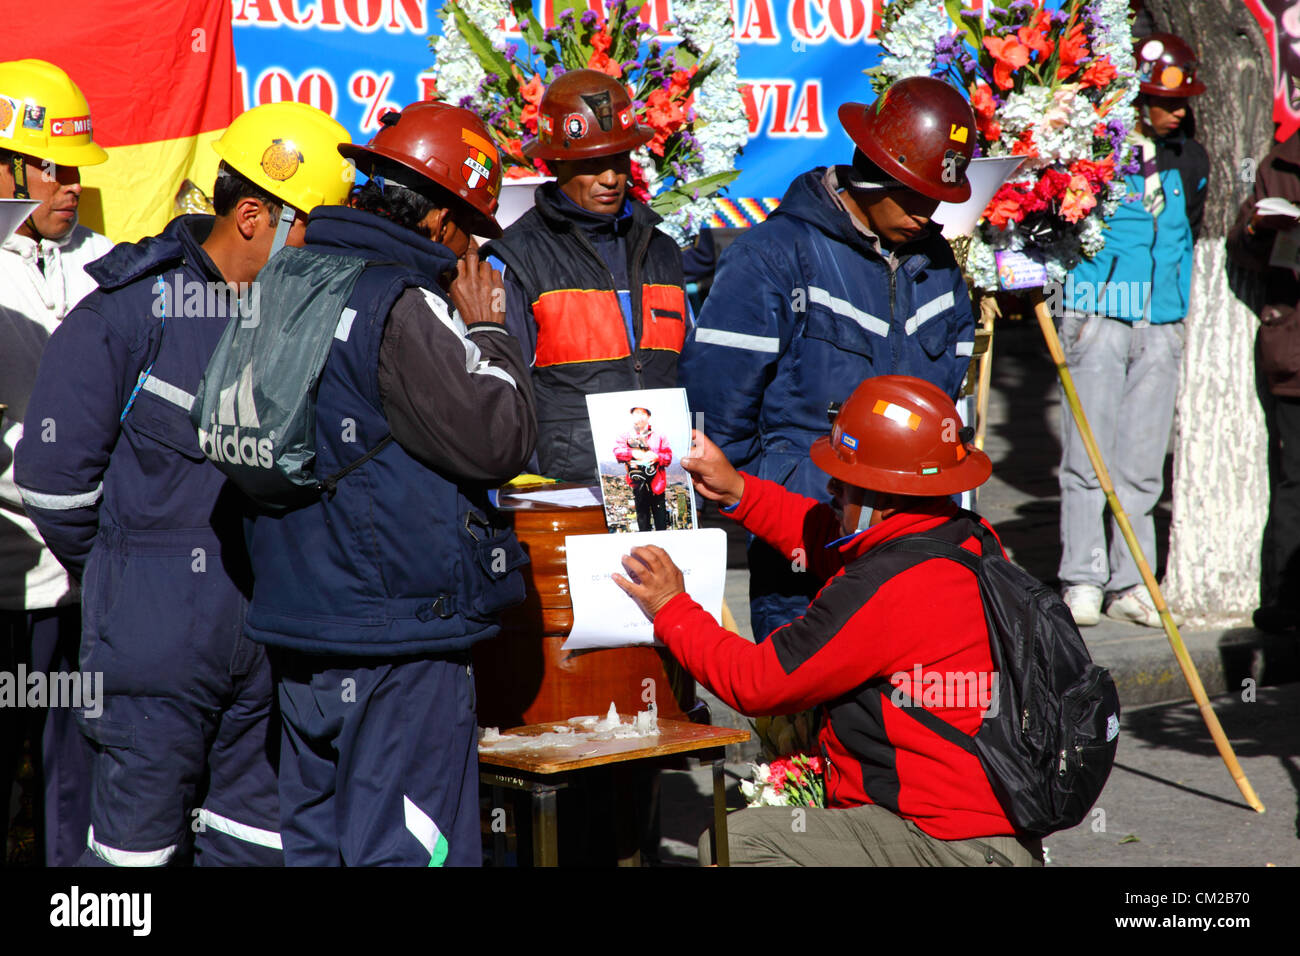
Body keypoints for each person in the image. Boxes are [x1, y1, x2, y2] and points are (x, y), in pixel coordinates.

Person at [15, 101, 353, 866]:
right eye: (309, 230)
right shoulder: (133, 310)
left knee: (258, 850)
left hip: (271, 643)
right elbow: (53, 478)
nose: (320, 253)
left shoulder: (300, 319)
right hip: (153, 642)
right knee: (132, 869)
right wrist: (130, 573)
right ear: (253, 216)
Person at [241, 102, 536, 866]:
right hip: (397, 641)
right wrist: (491, 329)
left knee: (317, 847)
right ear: (437, 220)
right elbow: (498, 438)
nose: (472, 250)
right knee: (410, 851)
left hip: (300, 627)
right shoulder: (401, 304)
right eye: (470, 227)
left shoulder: (285, 278)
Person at [613, 375, 1040, 866]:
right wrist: (739, 492)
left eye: (845, 483)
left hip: (947, 843)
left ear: (886, 495)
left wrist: (671, 606)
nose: (831, 488)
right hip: (991, 826)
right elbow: (829, 539)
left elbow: (755, 683)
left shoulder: (886, 587)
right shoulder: (967, 536)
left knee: (738, 845)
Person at [679, 75, 978, 642]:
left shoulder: (939, 265)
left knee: (889, 719)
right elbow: (716, 407)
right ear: (870, 172)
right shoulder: (771, 255)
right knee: (805, 720)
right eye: (913, 193)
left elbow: (950, 391)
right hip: (804, 541)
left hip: (916, 544)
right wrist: (766, 498)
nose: (927, 212)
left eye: (937, 197)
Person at [1057, 33, 1208, 628]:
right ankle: (1084, 577)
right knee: (1087, 457)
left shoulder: (1190, 158)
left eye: (1184, 102)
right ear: (1137, 100)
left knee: (1143, 464)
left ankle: (1134, 580)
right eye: (1167, 101)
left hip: (1162, 319)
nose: (1180, 111)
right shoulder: (1098, 146)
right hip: (1098, 311)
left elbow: (1189, 224)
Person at [0, 58, 110, 867]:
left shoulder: (107, 263)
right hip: (7, 583)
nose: (67, 186)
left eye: (74, 170)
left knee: (76, 785)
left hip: (85, 578)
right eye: (49, 168)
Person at [484, 69, 690, 482]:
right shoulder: (516, 258)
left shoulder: (663, 251)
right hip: (563, 497)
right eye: (592, 164)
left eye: (618, 159)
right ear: (555, 163)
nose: (611, 178)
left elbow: (691, 371)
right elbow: (501, 397)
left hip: (665, 488)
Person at [1227, 131, 1300, 633]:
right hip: (1294, 346)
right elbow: (1243, 250)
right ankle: (1286, 600)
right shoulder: (1278, 167)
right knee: (1295, 477)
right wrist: (1256, 230)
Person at [614, 406, 673, 531]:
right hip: (637, 484)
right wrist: (633, 453)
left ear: (649, 416)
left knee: (660, 521)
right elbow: (617, 452)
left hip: (657, 485)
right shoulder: (625, 435)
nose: (639, 416)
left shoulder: (659, 435)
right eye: (636, 413)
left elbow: (668, 457)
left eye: (643, 413)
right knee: (643, 521)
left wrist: (657, 457)